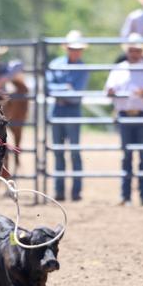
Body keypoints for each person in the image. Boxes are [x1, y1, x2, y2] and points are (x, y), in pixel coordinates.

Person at [105, 34, 143, 206]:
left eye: (137, 50)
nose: (134, 53)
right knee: (127, 156)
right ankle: (126, 196)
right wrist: (111, 91)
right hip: (125, 114)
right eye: (131, 50)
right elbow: (108, 88)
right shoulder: (119, 68)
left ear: (142, 52)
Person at [45, 30, 90, 202]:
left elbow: (76, 94)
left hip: (70, 110)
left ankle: (76, 192)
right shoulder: (56, 64)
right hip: (59, 110)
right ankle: (60, 191)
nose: (75, 51)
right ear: (67, 48)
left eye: (77, 49)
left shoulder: (80, 68)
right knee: (58, 152)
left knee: (74, 152)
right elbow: (50, 89)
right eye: (72, 48)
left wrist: (60, 90)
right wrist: (67, 89)